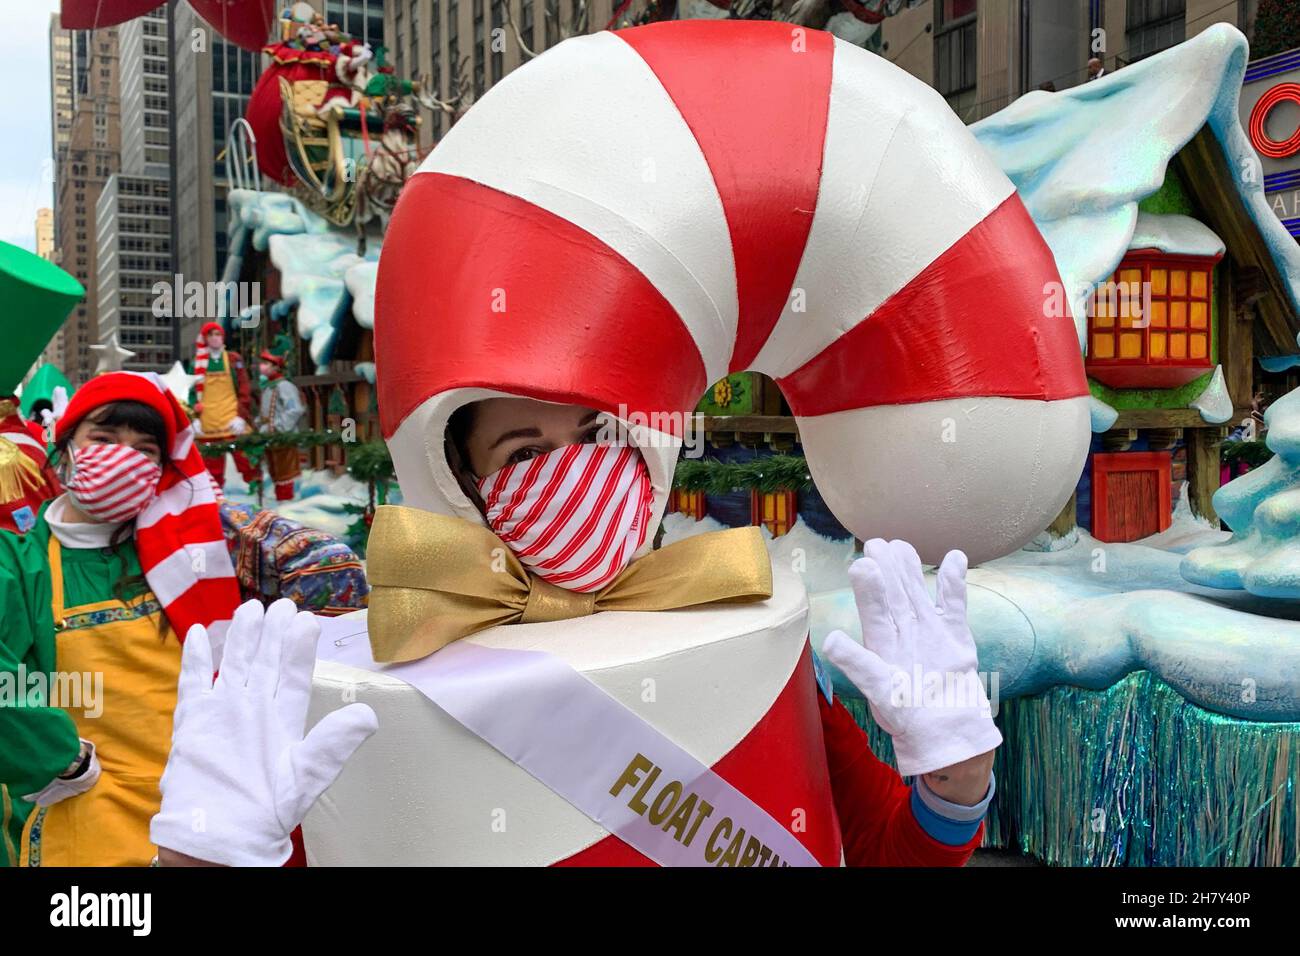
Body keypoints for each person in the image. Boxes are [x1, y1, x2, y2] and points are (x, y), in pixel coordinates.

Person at [151, 397, 1001, 867]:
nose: (576, 471)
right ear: (469, 486)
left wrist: (956, 781)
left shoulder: (741, 633)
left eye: (596, 435)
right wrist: (196, 862)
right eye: (523, 453)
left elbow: (889, 854)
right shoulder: (382, 685)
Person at [0, 371, 245, 866]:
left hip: (193, 807)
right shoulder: (20, 560)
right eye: (104, 438)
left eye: (144, 449)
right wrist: (59, 760)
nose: (122, 458)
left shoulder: (193, 550)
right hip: (82, 803)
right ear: (66, 446)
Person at [190, 322, 259, 491]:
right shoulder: (197, 364)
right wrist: (194, 418)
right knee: (212, 468)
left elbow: (244, 387)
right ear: (205, 339)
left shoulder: (234, 359)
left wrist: (240, 416)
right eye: (211, 335)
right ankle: (216, 502)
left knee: (246, 459)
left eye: (218, 334)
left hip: (231, 417)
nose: (215, 338)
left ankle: (257, 494)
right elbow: (191, 392)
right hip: (208, 421)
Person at [255, 349, 306, 502]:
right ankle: (281, 502)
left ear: (276, 366)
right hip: (270, 437)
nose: (262, 367)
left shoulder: (284, 386)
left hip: (282, 436)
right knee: (275, 472)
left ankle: (287, 503)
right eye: (261, 363)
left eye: (265, 363)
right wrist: (260, 423)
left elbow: (294, 409)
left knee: (285, 473)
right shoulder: (269, 387)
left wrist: (278, 426)